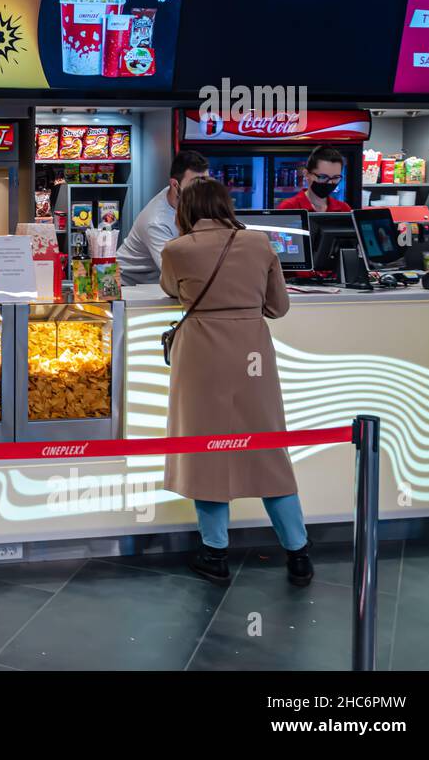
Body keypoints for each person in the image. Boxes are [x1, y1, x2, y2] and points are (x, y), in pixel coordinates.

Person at [159, 177, 313, 587]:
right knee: (268, 451)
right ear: (227, 205)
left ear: (185, 210)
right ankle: (298, 553)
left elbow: (171, 290)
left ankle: (214, 554)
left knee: (207, 451)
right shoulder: (260, 244)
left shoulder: (176, 250)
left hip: (200, 358)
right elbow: (278, 307)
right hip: (252, 357)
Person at [117, 150, 210, 285]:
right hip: (129, 285)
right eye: (194, 184)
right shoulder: (156, 222)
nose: (201, 190)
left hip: (155, 283)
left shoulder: (185, 200)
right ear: (174, 184)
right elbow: (174, 271)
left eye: (205, 182)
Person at [278, 145, 353, 213]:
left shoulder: (344, 209)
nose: (330, 182)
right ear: (306, 174)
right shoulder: (289, 208)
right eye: (323, 177)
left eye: (336, 177)